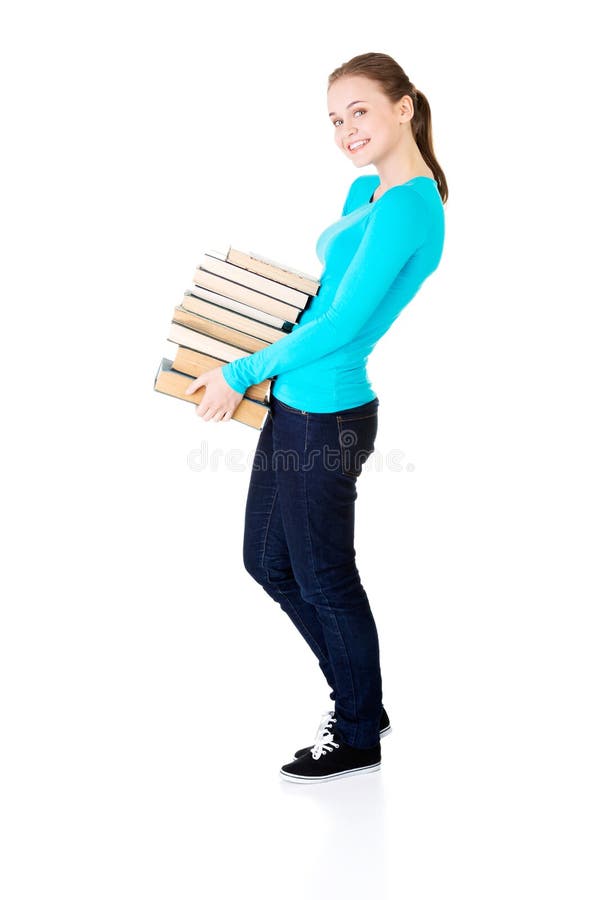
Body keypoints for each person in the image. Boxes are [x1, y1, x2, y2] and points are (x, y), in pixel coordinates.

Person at [185, 52, 447, 783]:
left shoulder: (410, 207)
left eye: (357, 110)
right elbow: (319, 296)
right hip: (291, 402)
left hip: (326, 415)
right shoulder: (368, 189)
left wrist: (238, 371)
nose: (344, 130)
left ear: (404, 106)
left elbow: (339, 325)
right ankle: (362, 697)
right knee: (266, 562)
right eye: (334, 119)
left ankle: (358, 728)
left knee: (325, 577)